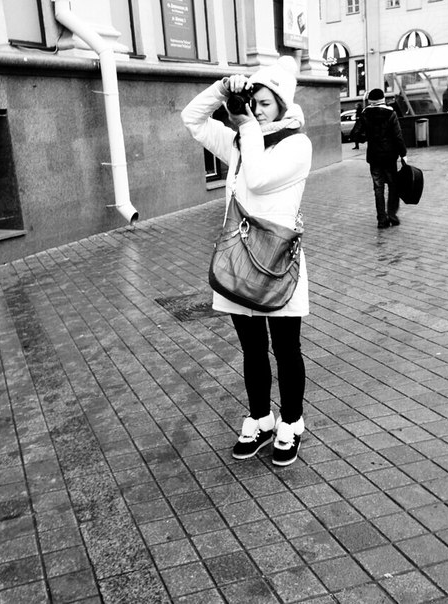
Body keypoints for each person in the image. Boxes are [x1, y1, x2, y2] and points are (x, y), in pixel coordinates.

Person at [181, 57, 312, 466]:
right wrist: (222, 89)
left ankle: (292, 422)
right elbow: (192, 119)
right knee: (252, 349)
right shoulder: (240, 141)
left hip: (277, 264)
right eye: (252, 103)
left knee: (285, 348)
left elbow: (257, 178)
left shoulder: (297, 145)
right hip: (239, 261)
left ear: (283, 105)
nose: (256, 110)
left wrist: (247, 126)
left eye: (265, 103)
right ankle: (260, 419)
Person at [352, 88, 407, 229]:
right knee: (393, 186)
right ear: (383, 99)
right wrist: (403, 154)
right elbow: (398, 136)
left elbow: (356, 134)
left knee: (378, 188)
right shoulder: (391, 113)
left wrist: (368, 137)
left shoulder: (365, 114)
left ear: (370, 100)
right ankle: (392, 216)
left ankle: (382, 220)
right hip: (390, 156)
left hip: (374, 157)